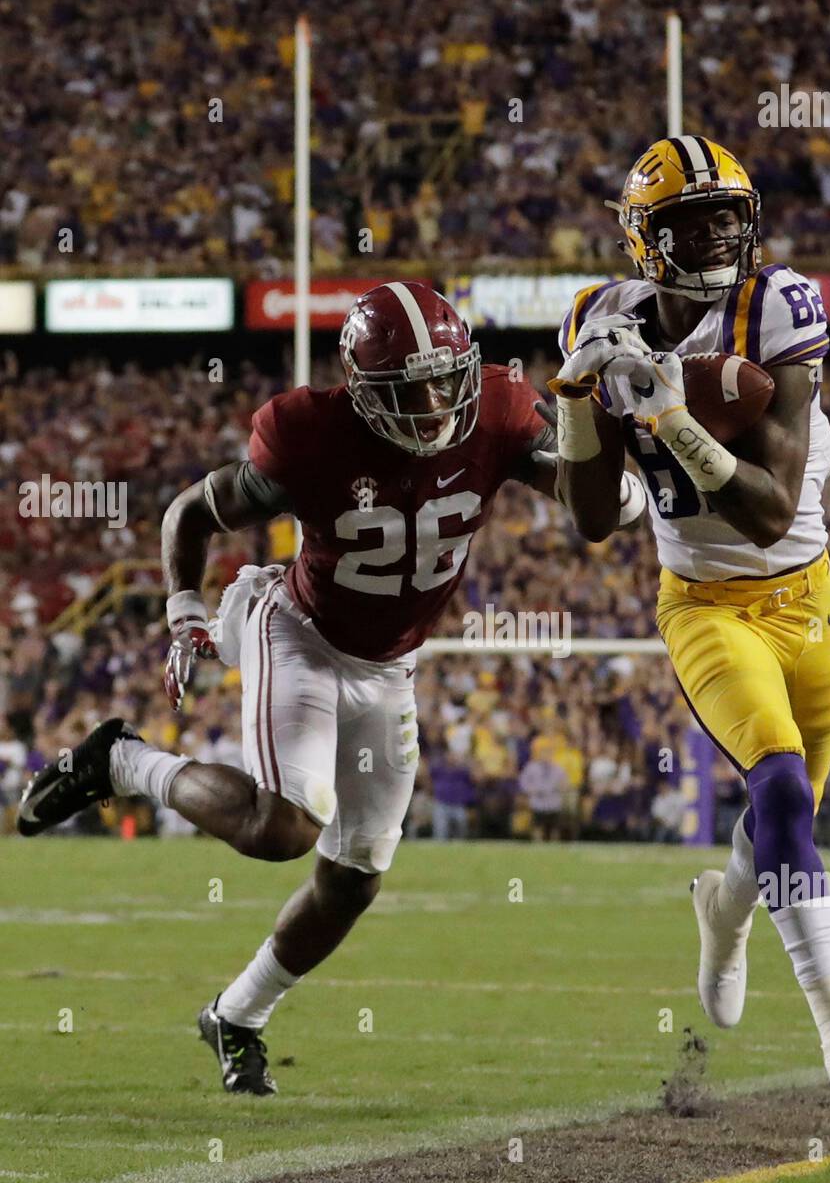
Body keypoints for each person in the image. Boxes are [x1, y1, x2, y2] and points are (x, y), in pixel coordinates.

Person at [18, 280, 647, 1095]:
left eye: (443, 379)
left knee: (353, 878)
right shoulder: (309, 434)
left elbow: (596, 503)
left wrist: (618, 443)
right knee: (283, 829)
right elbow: (188, 516)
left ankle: (236, 1014)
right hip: (299, 631)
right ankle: (121, 763)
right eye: (406, 389)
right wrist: (182, 612)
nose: (431, 404)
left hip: (390, 664)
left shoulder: (495, 408)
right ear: (360, 389)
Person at [551, 136, 830, 1117]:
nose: (711, 234)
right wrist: (577, 405)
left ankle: (724, 915)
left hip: (808, 597)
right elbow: (585, 519)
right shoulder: (596, 315)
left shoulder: (777, 305)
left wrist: (671, 421)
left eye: (722, 215)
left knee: (779, 815)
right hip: (706, 605)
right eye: (686, 220)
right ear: (642, 239)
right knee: (780, 786)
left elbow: (765, 503)